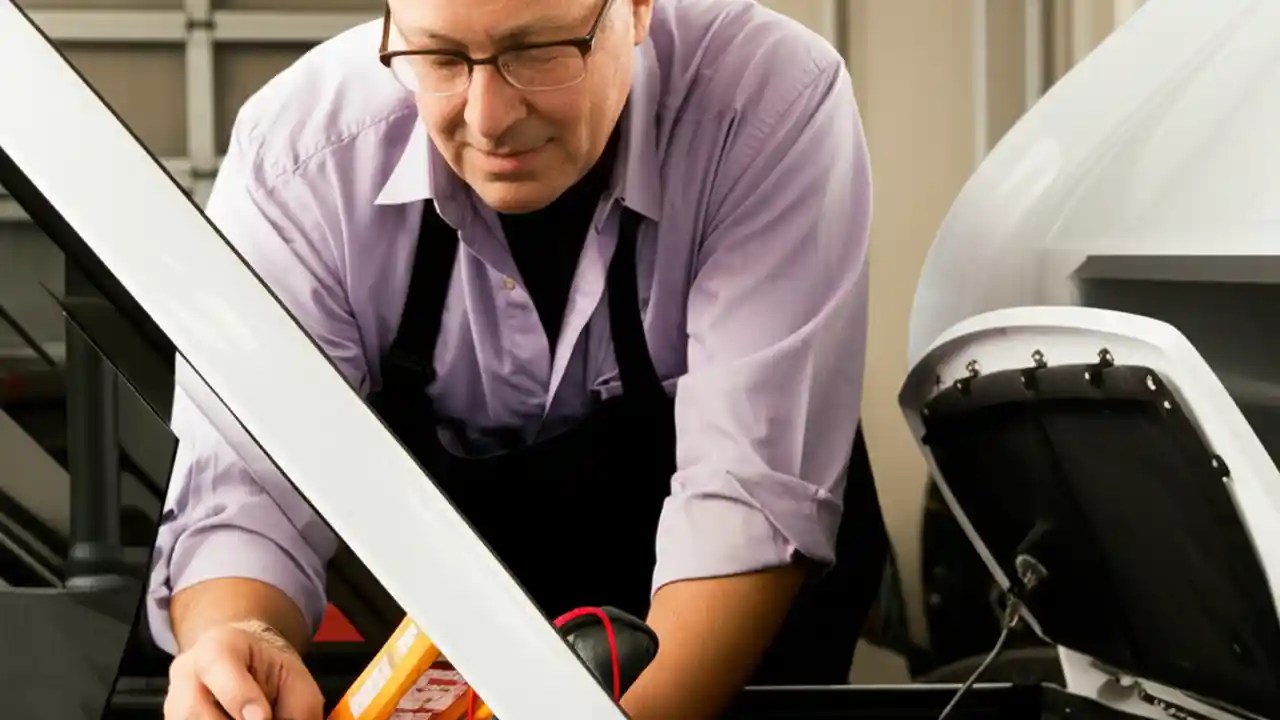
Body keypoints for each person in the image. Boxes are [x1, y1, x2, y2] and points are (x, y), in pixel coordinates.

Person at [147, 0, 877, 718]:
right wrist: (240, 635)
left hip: (723, 663)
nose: (489, 117)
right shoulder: (302, 157)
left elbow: (745, 501)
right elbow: (250, 488)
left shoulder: (764, 101)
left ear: (638, 9)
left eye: (537, 52)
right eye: (438, 58)